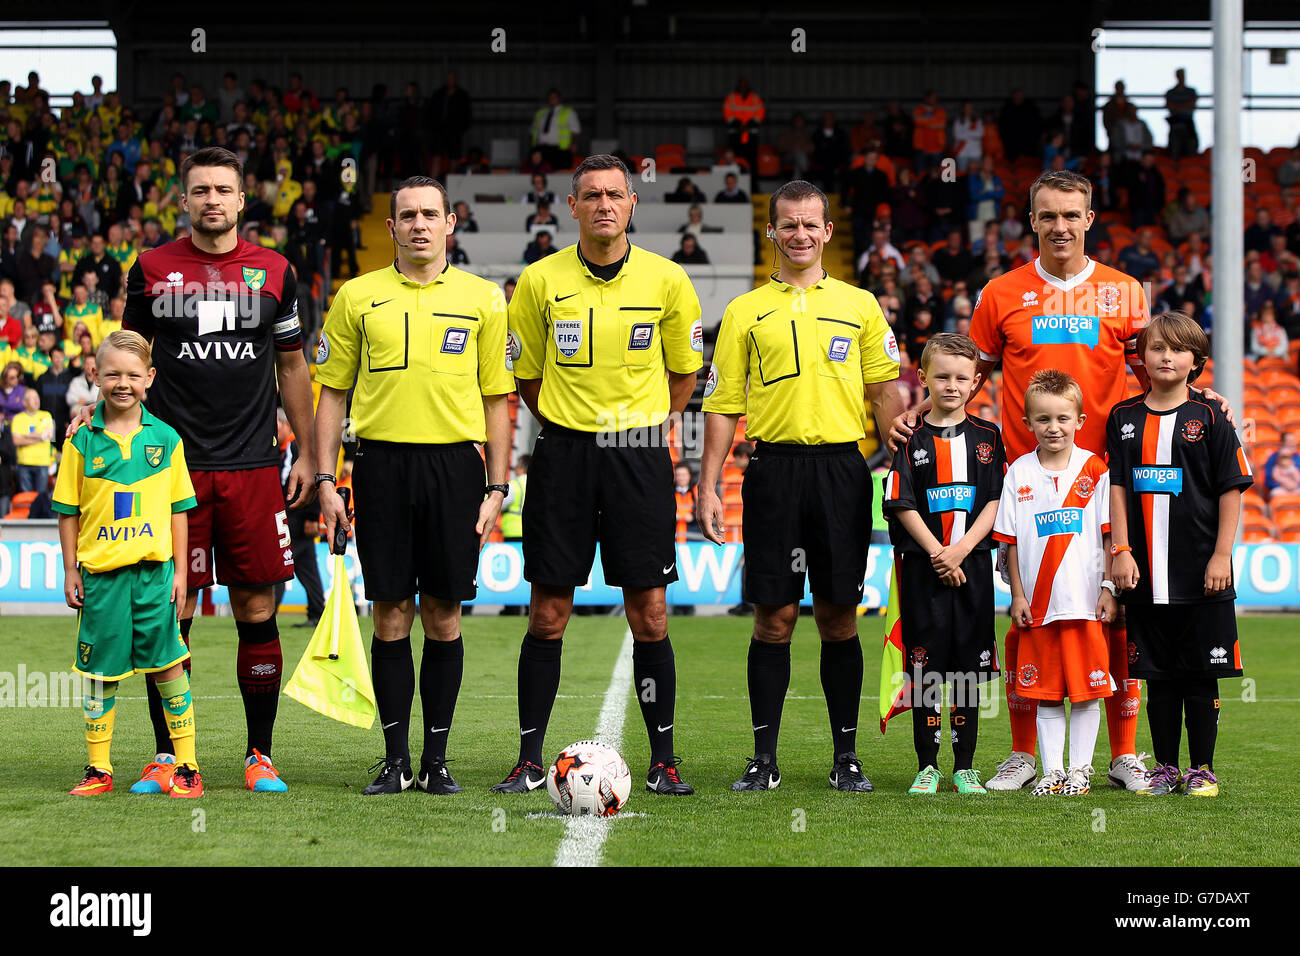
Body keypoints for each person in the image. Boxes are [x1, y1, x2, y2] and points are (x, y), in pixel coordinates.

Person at [889, 169, 1219, 793]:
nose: (1060, 226)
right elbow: (967, 374)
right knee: (1027, 618)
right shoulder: (1001, 293)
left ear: (1090, 219)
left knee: (1115, 614)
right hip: (1022, 484)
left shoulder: (1124, 294)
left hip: (1108, 482)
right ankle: (1022, 754)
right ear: (1031, 220)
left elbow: (1158, 365)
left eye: (1072, 215)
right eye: (1048, 215)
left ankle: (1122, 754)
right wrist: (918, 410)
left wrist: (1204, 394)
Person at [95, 146, 317, 794]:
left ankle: (260, 755)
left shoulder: (275, 272)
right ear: (184, 200)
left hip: (251, 465)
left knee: (256, 606)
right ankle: (169, 755)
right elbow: (130, 352)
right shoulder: (152, 268)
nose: (212, 200)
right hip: (168, 469)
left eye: (224, 189)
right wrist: (102, 412)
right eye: (201, 190)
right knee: (170, 612)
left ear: (243, 200)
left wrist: (308, 451)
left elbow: (294, 366)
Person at [494, 154, 703, 796]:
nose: (605, 205)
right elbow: (523, 376)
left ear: (632, 204)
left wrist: (636, 428)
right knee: (548, 610)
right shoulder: (537, 281)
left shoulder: (669, 281)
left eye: (616, 194)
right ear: (573, 206)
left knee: (651, 611)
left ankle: (663, 761)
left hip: (637, 452)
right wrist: (570, 425)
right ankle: (529, 760)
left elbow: (684, 376)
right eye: (592, 196)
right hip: (563, 454)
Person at [697, 179, 903, 792]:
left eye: (811, 224)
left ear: (828, 232)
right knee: (774, 619)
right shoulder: (743, 311)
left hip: (843, 471)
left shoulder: (862, 305)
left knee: (840, 617)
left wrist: (905, 454)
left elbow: (885, 390)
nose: (800, 234)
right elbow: (722, 404)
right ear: (772, 233)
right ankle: (764, 760)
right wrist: (708, 486)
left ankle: (847, 759)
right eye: (789, 224)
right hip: (772, 472)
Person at [314, 175, 511, 795]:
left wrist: (498, 485)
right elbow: (332, 393)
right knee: (391, 611)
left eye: (431, 213)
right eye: (408, 215)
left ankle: (437, 761)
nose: (420, 224)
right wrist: (325, 476)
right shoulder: (356, 295)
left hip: (456, 468)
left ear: (450, 223)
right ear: (392, 226)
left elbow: (498, 400)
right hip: (381, 467)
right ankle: (395, 760)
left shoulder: (483, 298)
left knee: (444, 614)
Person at [1108, 312, 1253, 796]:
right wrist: (1122, 550)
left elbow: (1231, 489)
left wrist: (1221, 556)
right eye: (1156, 348)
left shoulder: (1210, 417)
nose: (1166, 356)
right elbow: (1119, 489)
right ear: (1142, 358)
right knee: (1157, 677)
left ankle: (1202, 769)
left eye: (1177, 349)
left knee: (1200, 675)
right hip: (1146, 575)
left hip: (1201, 575)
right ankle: (1165, 768)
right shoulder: (1123, 418)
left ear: (1196, 361)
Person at [55, 331, 202, 798]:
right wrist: (71, 570)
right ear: (94, 376)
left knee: (168, 667)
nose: (123, 383)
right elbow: (68, 511)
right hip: (101, 579)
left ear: (150, 379)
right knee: (101, 673)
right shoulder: (80, 442)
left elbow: (180, 510)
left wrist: (180, 573)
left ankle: (187, 766)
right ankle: (99, 769)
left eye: (133, 375)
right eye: (113, 373)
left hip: (154, 576)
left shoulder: (167, 439)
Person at [883, 333, 1004, 795]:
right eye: (942, 377)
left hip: (971, 567)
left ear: (976, 381)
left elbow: (994, 499)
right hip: (924, 570)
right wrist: (939, 552)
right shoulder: (909, 435)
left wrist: (962, 550)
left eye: (961, 378)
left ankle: (966, 765)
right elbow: (900, 500)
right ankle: (928, 765)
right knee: (928, 671)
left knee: (968, 673)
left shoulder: (988, 437)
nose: (951, 386)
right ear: (923, 378)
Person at [995, 369, 1118, 796]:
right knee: (1045, 693)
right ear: (1028, 423)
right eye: (1043, 419)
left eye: (1063, 419)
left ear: (1080, 421)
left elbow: (1107, 534)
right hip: (1039, 606)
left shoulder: (1094, 469)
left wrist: (1108, 588)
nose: (1054, 427)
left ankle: (1081, 771)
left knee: (1085, 692)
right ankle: (1052, 772)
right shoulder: (1017, 474)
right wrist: (1017, 595)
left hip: (1084, 603)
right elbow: (1008, 543)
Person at [274, 409, 324, 628]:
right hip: (295, 517)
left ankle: (268, 612)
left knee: (278, 564)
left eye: (276, 424)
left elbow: (312, 481)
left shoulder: (297, 449)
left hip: (296, 518)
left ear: (287, 425)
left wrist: (312, 516)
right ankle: (317, 612)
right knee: (306, 567)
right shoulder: (286, 451)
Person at [11, 385, 53, 493]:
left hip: (42, 463)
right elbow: (16, 441)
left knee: (41, 497)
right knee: (26, 497)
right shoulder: (18, 418)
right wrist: (40, 437)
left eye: (37, 397)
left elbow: (48, 435)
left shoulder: (46, 415)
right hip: (24, 463)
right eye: (32, 398)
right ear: (25, 403)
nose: (36, 400)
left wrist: (25, 435)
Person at [530, 88, 580, 171]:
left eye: (554, 97)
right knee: (541, 172)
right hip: (541, 149)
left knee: (559, 173)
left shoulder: (568, 112)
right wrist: (533, 147)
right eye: (550, 97)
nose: (552, 99)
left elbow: (575, 131)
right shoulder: (540, 113)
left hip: (560, 150)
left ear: (559, 98)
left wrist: (574, 144)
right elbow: (533, 131)